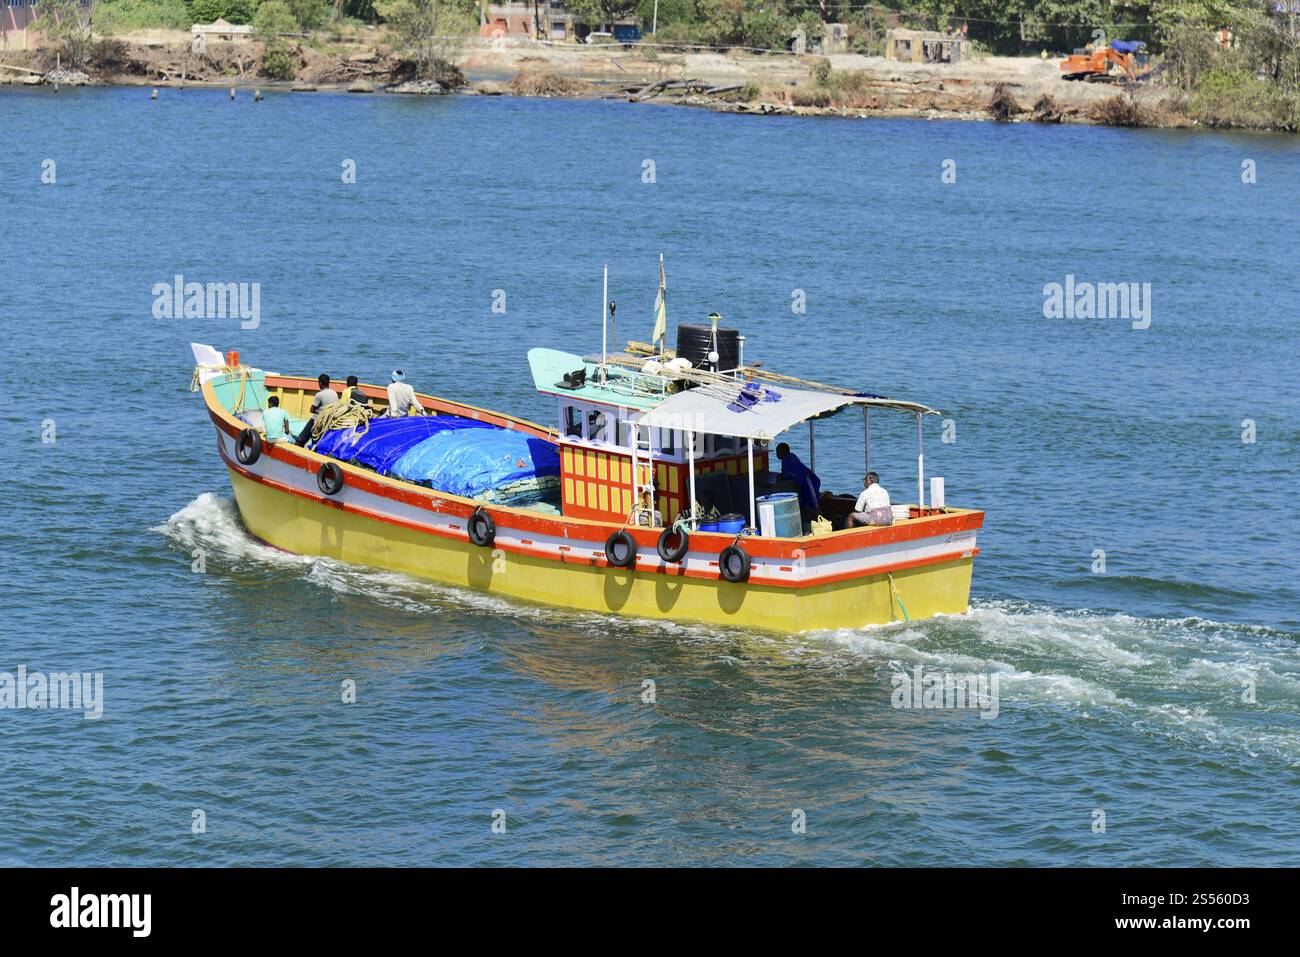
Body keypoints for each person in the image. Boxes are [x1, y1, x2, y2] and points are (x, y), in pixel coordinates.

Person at [775, 442, 822, 516]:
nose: (776, 454)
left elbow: (785, 475)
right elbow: (786, 473)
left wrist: (782, 476)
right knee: (806, 503)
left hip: (809, 481)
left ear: (783, 451)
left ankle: (819, 519)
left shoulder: (787, 459)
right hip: (804, 482)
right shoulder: (790, 457)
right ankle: (811, 520)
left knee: (814, 504)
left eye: (778, 452)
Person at [295, 373, 338, 446]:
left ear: (320, 383)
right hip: (329, 419)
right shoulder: (335, 393)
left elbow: (311, 410)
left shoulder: (319, 395)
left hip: (318, 419)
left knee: (302, 437)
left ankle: (299, 444)